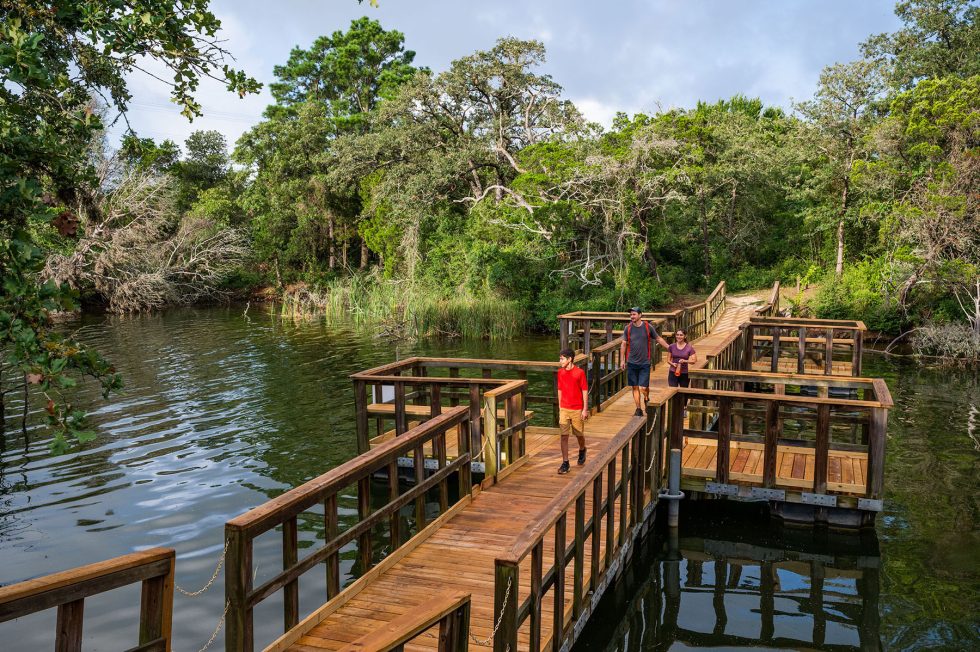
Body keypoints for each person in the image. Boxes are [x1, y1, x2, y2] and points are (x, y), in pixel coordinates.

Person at [620, 307, 670, 417]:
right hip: (632, 362)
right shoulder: (627, 328)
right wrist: (622, 360)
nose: (632, 316)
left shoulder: (648, 327)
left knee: (643, 388)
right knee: (635, 387)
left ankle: (646, 398)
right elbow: (623, 344)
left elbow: (658, 338)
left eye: (634, 314)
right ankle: (638, 409)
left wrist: (669, 347)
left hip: (644, 362)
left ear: (640, 315)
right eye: (631, 315)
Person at [556, 348, 588, 474]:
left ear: (569, 359)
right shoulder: (560, 372)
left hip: (576, 409)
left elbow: (584, 390)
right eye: (560, 358)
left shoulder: (579, 373)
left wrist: (585, 409)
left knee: (579, 434)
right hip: (564, 408)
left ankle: (582, 449)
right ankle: (565, 463)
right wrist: (560, 407)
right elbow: (559, 389)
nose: (560, 361)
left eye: (562, 358)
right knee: (564, 436)